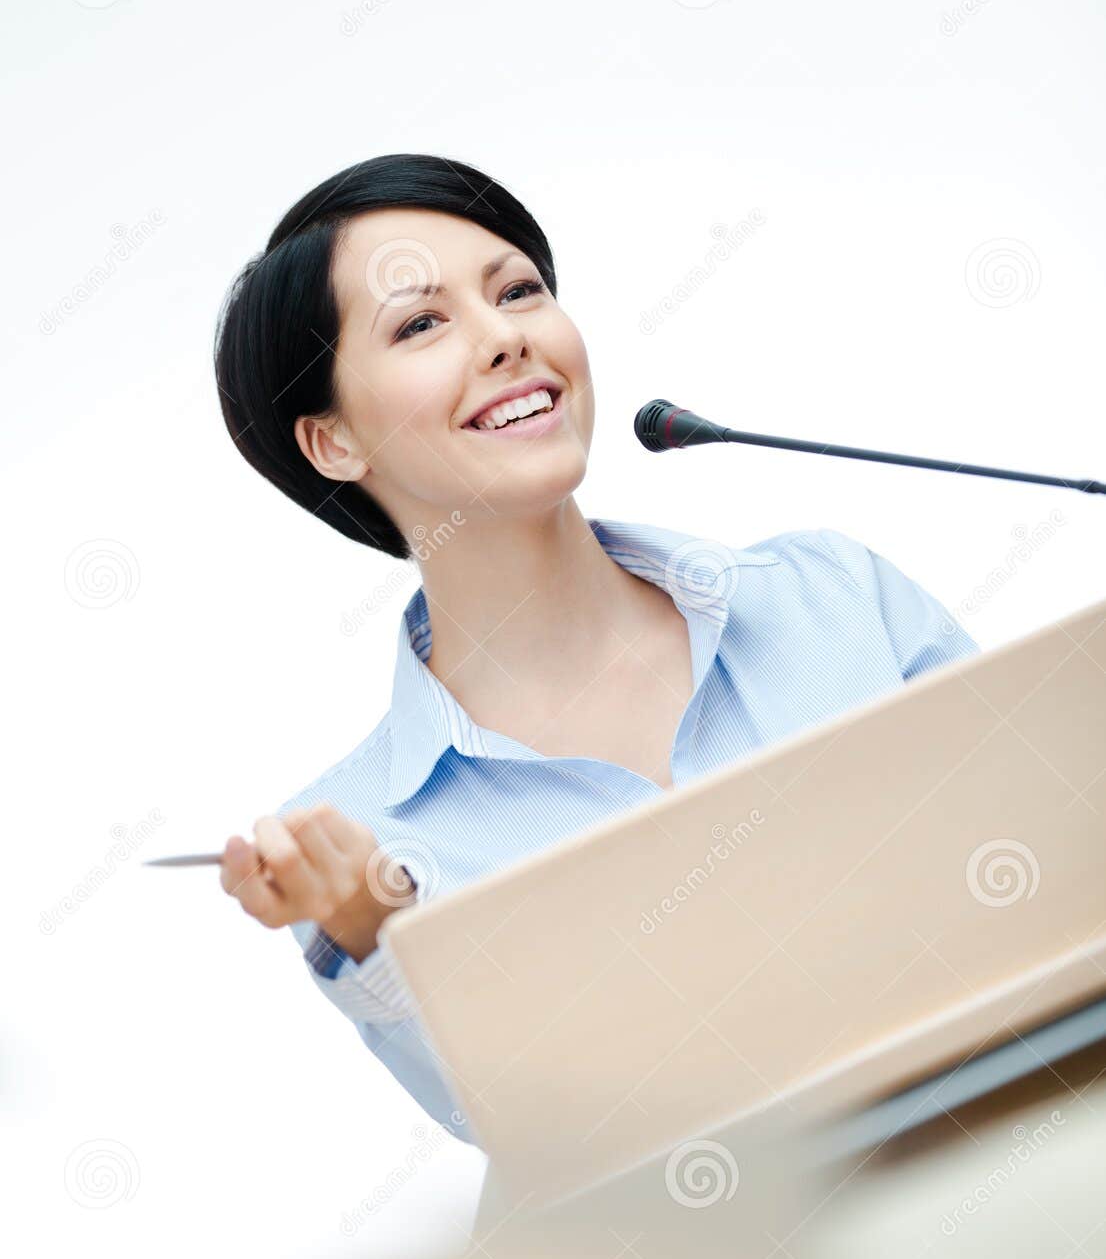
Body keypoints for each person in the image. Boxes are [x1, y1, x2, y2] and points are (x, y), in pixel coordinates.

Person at [213, 152, 979, 1149]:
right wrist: (370, 928)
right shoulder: (353, 844)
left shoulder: (835, 600)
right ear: (333, 444)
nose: (504, 338)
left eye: (518, 291)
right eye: (420, 323)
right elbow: (541, 1138)